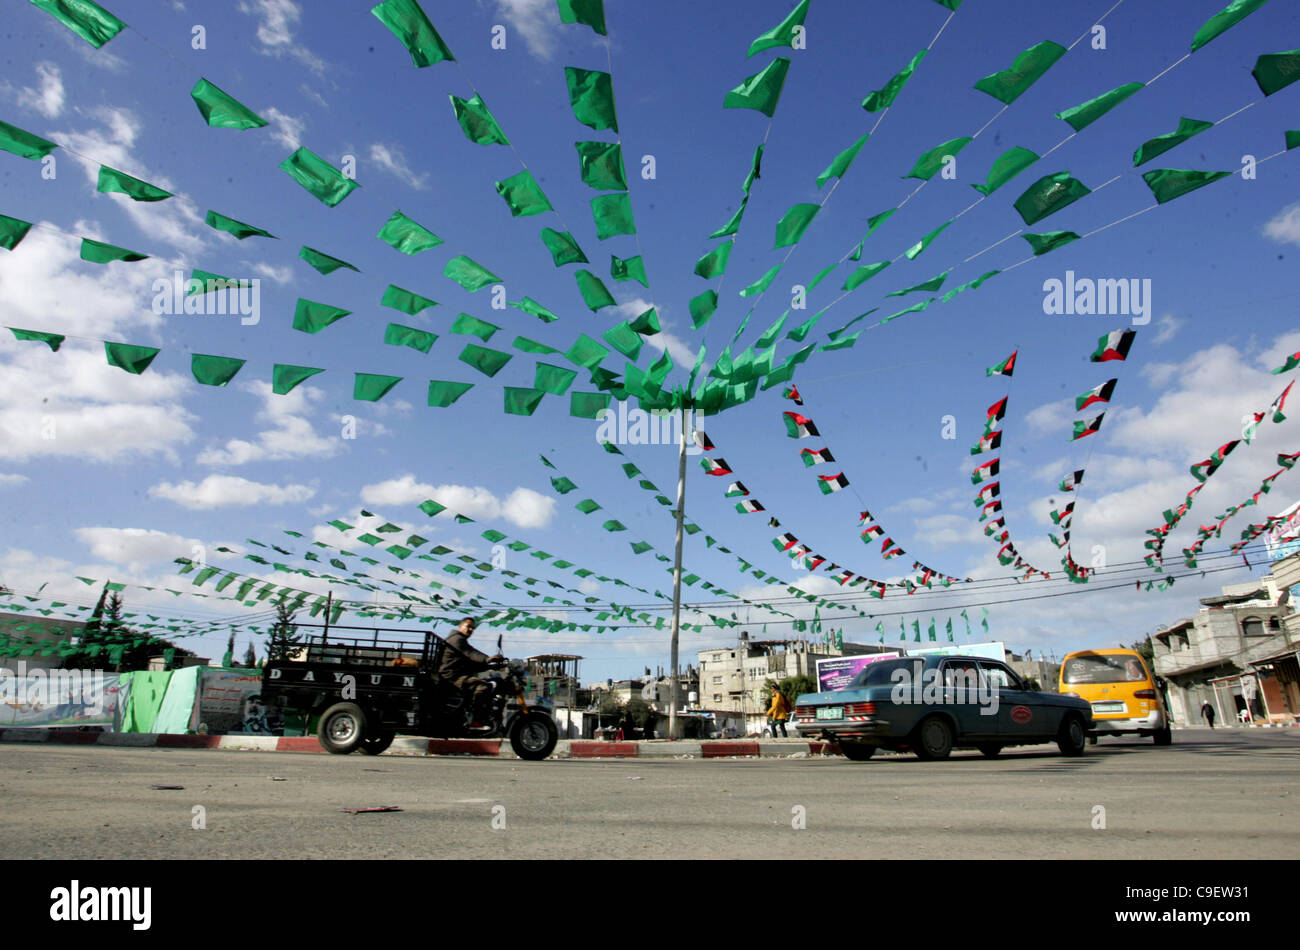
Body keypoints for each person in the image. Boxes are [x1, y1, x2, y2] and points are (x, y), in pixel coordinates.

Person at [437, 617, 503, 727]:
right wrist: (488, 659)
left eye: (473, 628)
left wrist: (492, 666)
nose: (471, 629)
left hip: (455, 675)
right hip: (451, 676)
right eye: (468, 626)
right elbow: (471, 653)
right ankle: (475, 719)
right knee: (482, 686)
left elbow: (471, 663)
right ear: (460, 626)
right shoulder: (456, 639)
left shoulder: (458, 639)